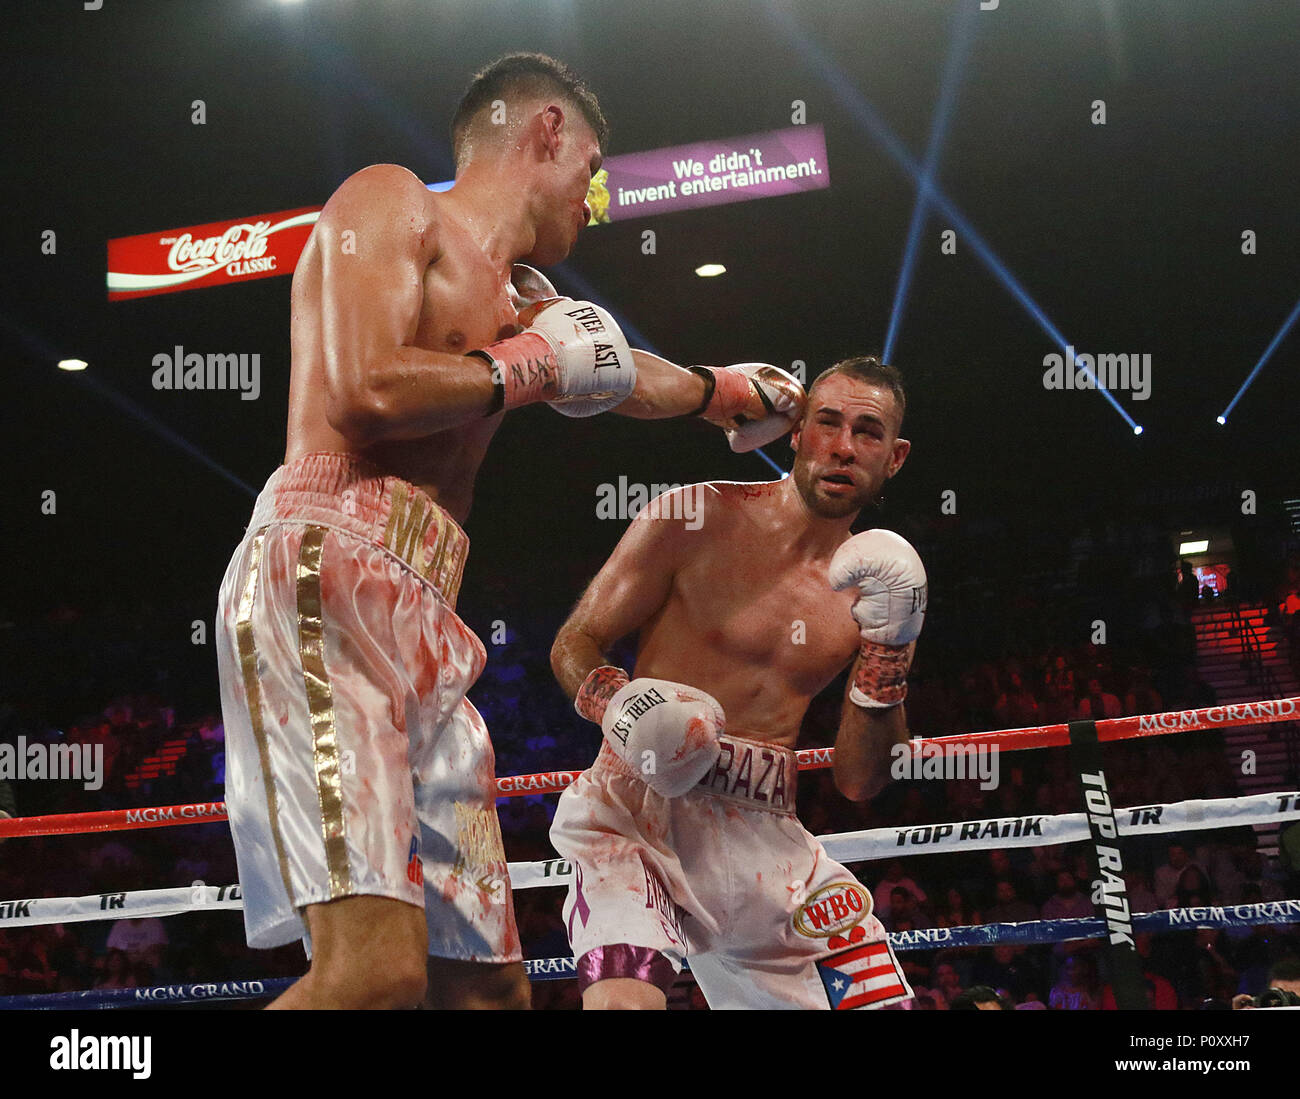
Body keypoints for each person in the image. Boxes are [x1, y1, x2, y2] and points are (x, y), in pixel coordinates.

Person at [214, 52, 802, 1010]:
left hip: (428, 606)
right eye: (594, 167)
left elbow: (614, 369)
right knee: (375, 973)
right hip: (325, 560)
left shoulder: (519, 292)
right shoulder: (391, 201)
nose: (598, 197)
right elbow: (362, 392)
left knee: (487, 994)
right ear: (546, 133)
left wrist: (720, 392)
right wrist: (525, 365)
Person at [549, 356, 924, 1009]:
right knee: (623, 1004)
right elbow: (575, 640)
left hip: (765, 832)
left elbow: (862, 780)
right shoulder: (695, 515)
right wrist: (618, 702)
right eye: (828, 423)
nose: (843, 446)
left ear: (894, 457)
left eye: (868, 431)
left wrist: (889, 658)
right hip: (636, 809)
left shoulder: (880, 585)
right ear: (796, 432)